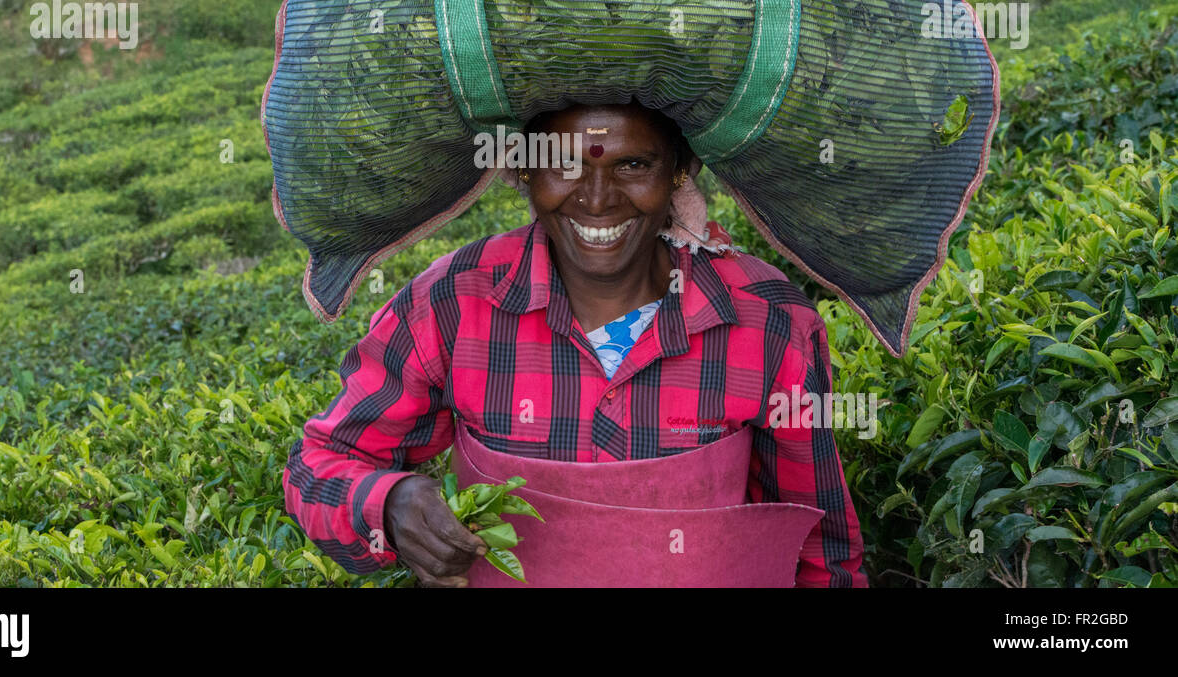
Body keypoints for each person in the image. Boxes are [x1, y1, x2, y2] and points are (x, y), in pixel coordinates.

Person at [283, 100, 868, 587]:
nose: (596, 198)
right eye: (562, 164)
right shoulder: (452, 304)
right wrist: (388, 502)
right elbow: (319, 466)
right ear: (522, 170)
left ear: (679, 171)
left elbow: (818, 544)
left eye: (633, 164)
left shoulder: (764, 317)